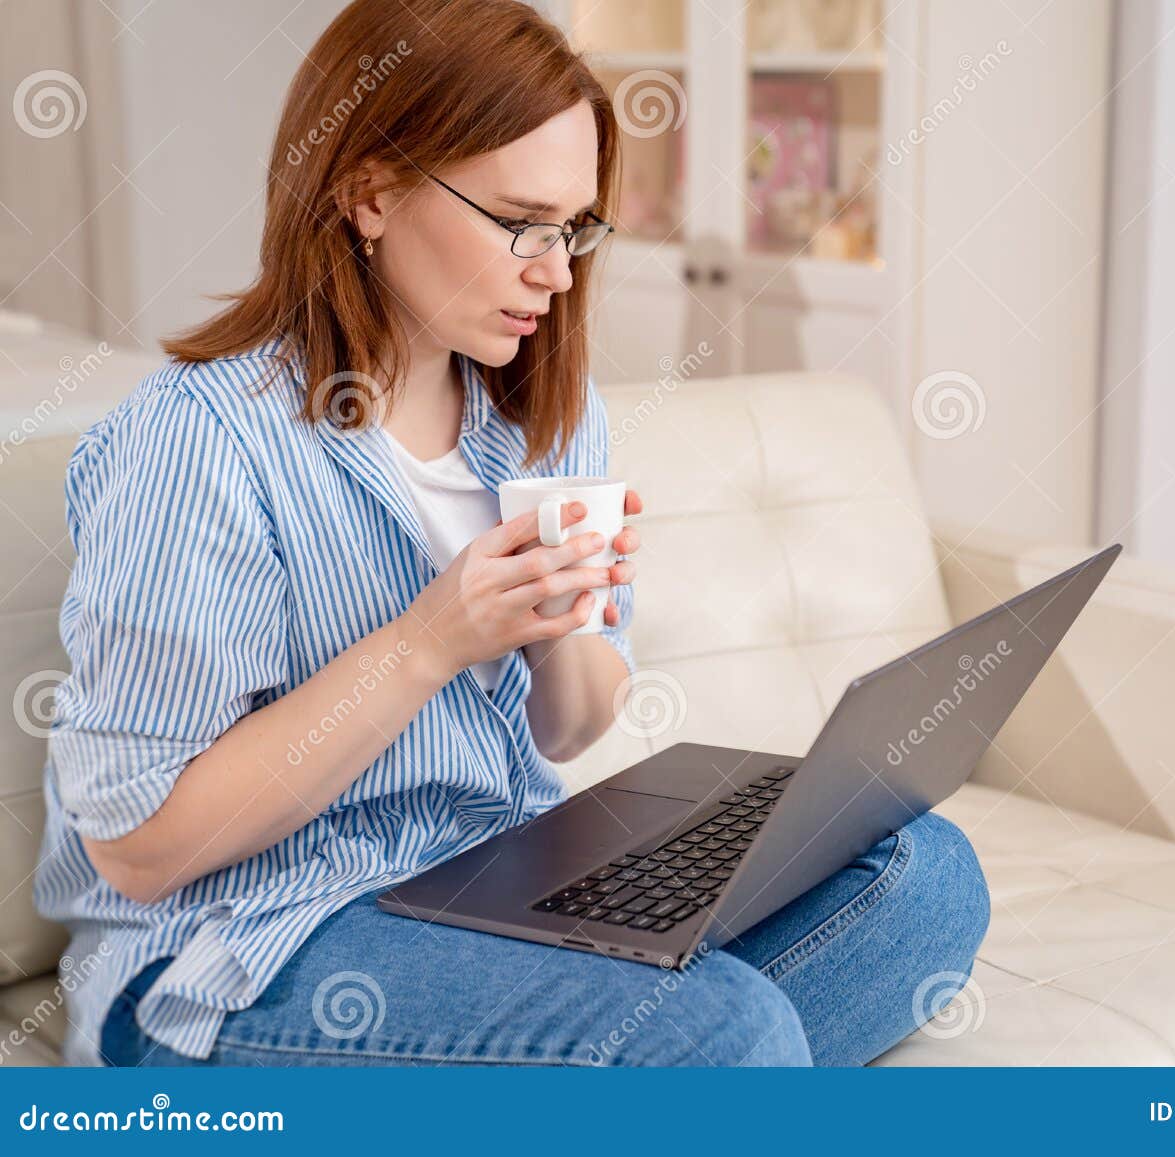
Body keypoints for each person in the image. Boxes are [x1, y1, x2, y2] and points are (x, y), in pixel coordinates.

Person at [36, 0, 989, 1068]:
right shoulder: (198, 441)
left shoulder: (540, 413)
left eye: (575, 227)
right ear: (369, 192)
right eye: (518, 222)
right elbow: (139, 844)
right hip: (249, 945)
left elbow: (573, 728)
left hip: (489, 877)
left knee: (919, 874)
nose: (557, 271)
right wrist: (425, 642)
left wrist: (558, 619)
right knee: (722, 1027)